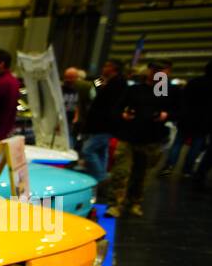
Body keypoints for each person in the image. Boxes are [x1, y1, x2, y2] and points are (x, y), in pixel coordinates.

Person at [108, 61, 173, 217]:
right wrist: (123, 115)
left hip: (151, 139)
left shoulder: (166, 91)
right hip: (129, 136)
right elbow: (117, 108)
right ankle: (116, 204)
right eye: (154, 70)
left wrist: (166, 114)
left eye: (161, 71)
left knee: (142, 175)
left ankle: (134, 202)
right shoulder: (134, 89)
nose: (156, 73)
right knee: (121, 172)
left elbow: (176, 110)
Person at [80, 59, 124, 189]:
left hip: (104, 124)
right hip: (101, 124)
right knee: (101, 151)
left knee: (88, 150)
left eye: (106, 66)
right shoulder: (107, 82)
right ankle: (100, 177)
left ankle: (101, 178)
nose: (103, 68)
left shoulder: (118, 83)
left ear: (113, 68)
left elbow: (108, 104)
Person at [162, 61, 208, 177]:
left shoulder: (194, 82)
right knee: (195, 146)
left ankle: (169, 166)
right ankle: (187, 170)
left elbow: (183, 100)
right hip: (204, 121)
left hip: (187, 118)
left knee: (178, 143)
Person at [62, 67, 94, 148]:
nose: (68, 80)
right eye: (66, 77)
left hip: (72, 120)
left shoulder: (84, 87)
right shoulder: (88, 85)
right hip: (71, 118)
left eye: (70, 77)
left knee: (70, 140)